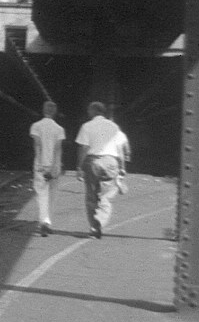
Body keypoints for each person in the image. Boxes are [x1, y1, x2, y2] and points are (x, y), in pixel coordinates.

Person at [75, 101, 130, 239]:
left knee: (91, 196)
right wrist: (122, 167)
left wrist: (79, 167)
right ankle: (101, 219)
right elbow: (120, 150)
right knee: (106, 195)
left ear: (92, 112)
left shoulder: (86, 126)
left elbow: (84, 149)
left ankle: (94, 227)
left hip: (92, 162)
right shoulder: (114, 127)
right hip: (111, 162)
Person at [29, 100, 66, 236]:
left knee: (42, 194)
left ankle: (44, 221)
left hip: (41, 164)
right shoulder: (59, 129)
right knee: (52, 195)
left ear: (43, 110)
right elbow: (58, 149)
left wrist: (39, 164)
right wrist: (57, 166)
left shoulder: (36, 126)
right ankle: (47, 222)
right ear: (54, 112)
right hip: (54, 165)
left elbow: (37, 145)